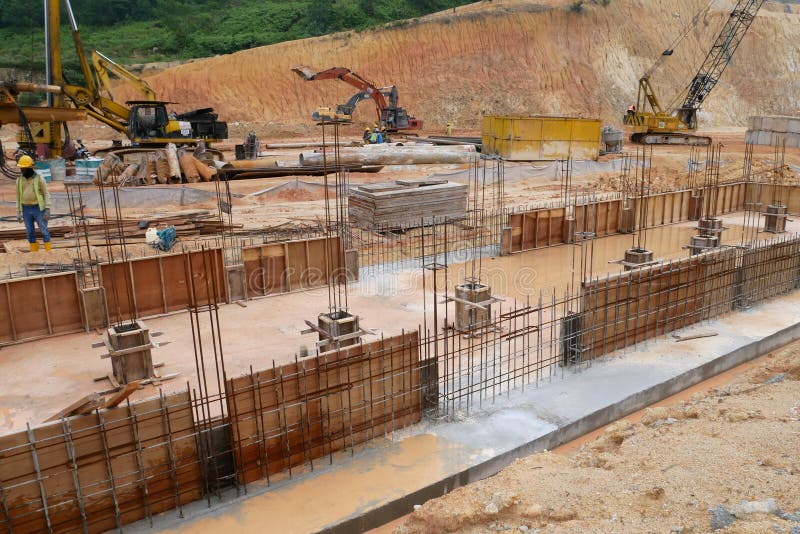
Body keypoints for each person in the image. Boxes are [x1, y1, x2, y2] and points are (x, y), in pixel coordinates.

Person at [15, 155, 51, 252]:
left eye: (23, 168)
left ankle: (49, 252)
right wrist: (18, 211)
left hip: (38, 208)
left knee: (43, 230)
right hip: (26, 209)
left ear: (29, 168)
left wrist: (47, 209)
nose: (21, 170)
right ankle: (34, 253)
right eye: (21, 168)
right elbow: (18, 197)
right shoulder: (19, 181)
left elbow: (46, 194)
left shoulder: (39, 179)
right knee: (30, 232)